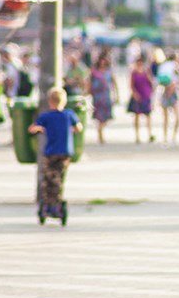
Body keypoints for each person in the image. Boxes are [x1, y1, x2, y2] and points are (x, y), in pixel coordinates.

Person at [28, 88, 82, 220]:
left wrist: (40, 129)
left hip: (51, 152)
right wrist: (71, 129)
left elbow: (32, 129)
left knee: (48, 178)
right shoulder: (69, 115)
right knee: (59, 178)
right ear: (64, 101)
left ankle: (49, 204)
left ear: (49, 102)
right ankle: (57, 202)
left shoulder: (46, 116)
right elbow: (79, 127)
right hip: (65, 152)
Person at [157, 50, 179, 146]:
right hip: (174, 92)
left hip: (164, 91)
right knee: (177, 117)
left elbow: (158, 80)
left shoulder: (163, 66)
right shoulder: (176, 66)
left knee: (165, 118)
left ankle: (165, 138)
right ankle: (173, 138)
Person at [89, 54, 117, 144]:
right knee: (99, 116)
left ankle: (101, 129)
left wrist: (116, 94)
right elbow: (89, 82)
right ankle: (100, 134)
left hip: (106, 95)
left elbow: (114, 83)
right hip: (97, 96)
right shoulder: (94, 72)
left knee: (106, 116)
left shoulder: (109, 71)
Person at [127, 56, 155, 144]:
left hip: (146, 95)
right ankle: (137, 136)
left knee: (148, 116)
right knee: (137, 116)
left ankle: (150, 134)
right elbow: (131, 85)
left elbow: (151, 83)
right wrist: (134, 94)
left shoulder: (146, 72)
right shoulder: (134, 73)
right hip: (137, 96)